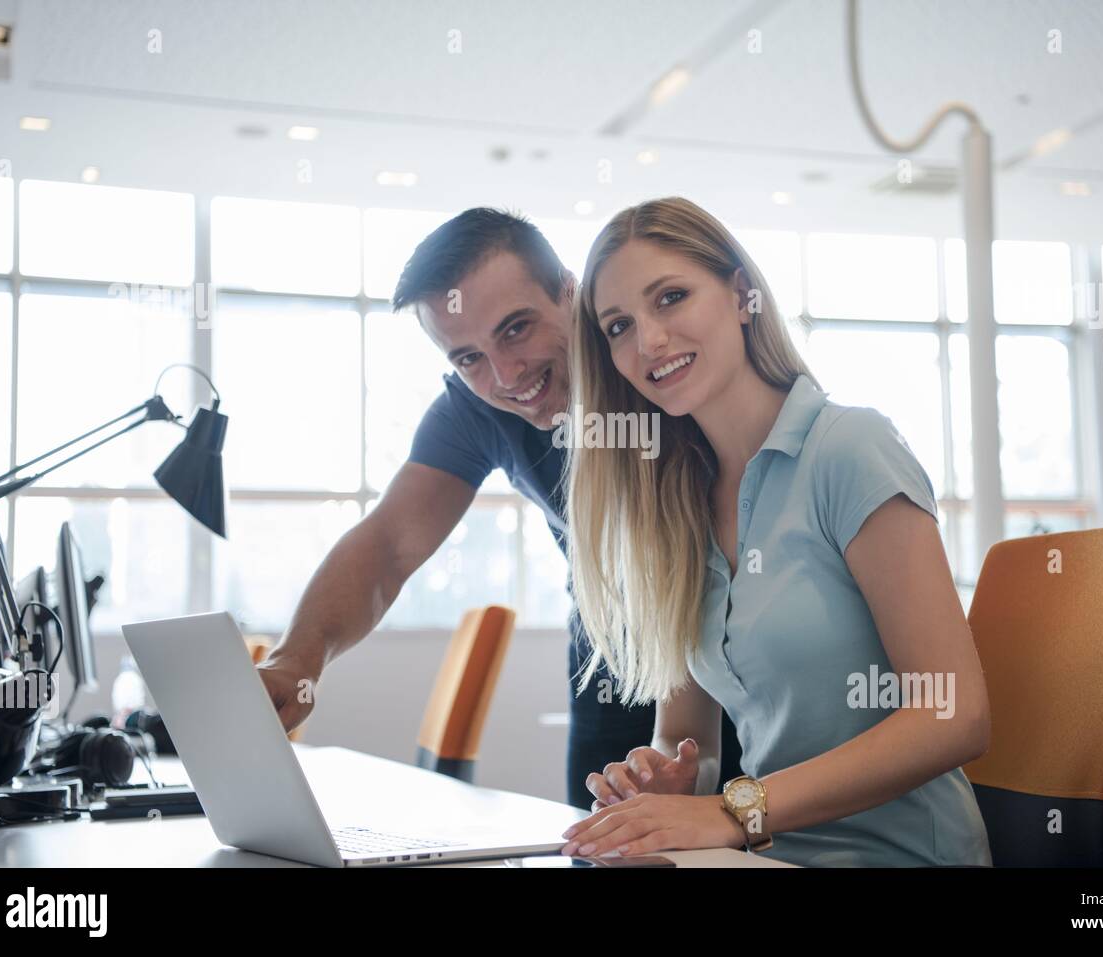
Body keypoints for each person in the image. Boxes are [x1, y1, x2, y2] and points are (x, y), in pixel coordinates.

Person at [254, 207, 744, 810]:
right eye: (468, 357)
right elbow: (389, 544)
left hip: (739, 647)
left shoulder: (660, 363)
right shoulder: (473, 408)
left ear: (571, 291)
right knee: (602, 845)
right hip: (613, 650)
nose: (507, 375)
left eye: (516, 328)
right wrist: (294, 661)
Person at [557, 196, 993, 866]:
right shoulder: (677, 510)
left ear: (741, 295)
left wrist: (735, 810)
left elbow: (955, 714)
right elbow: (686, 735)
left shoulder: (850, 448)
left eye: (670, 297)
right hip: (762, 856)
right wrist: (672, 783)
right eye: (618, 325)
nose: (647, 341)